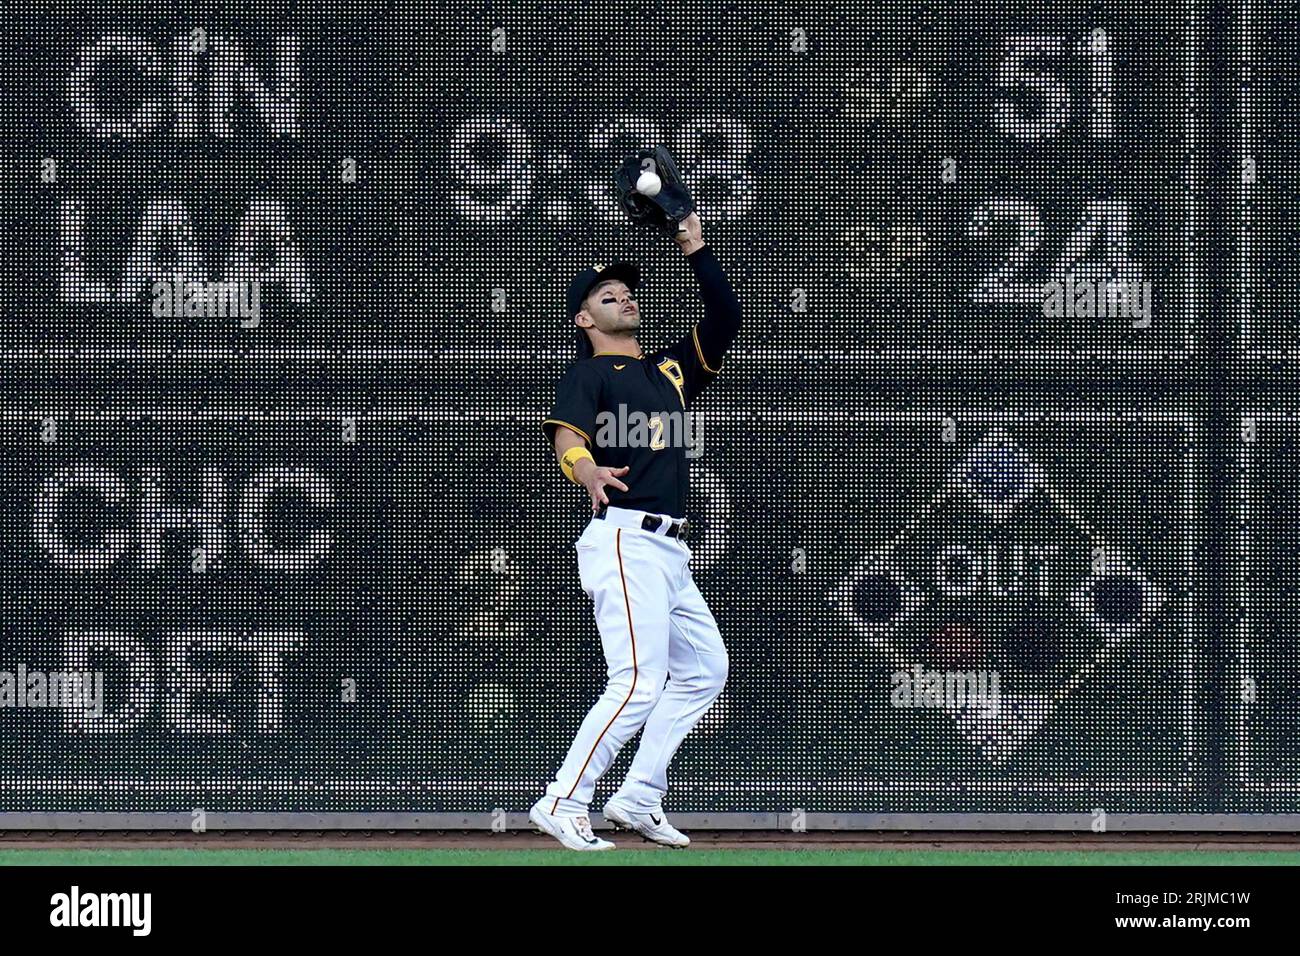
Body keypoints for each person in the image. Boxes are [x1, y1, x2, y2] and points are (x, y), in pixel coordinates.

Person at [529, 212, 742, 850]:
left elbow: (726, 320)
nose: (623, 296)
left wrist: (694, 245)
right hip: (623, 538)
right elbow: (568, 434)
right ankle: (565, 800)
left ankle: (639, 795)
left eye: (627, 291)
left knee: (705, 670)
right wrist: (584, 466)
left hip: (669, 549)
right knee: (639, 680)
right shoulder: (590, 372)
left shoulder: (669, 371)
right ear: (585, 319)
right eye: (605, 295)